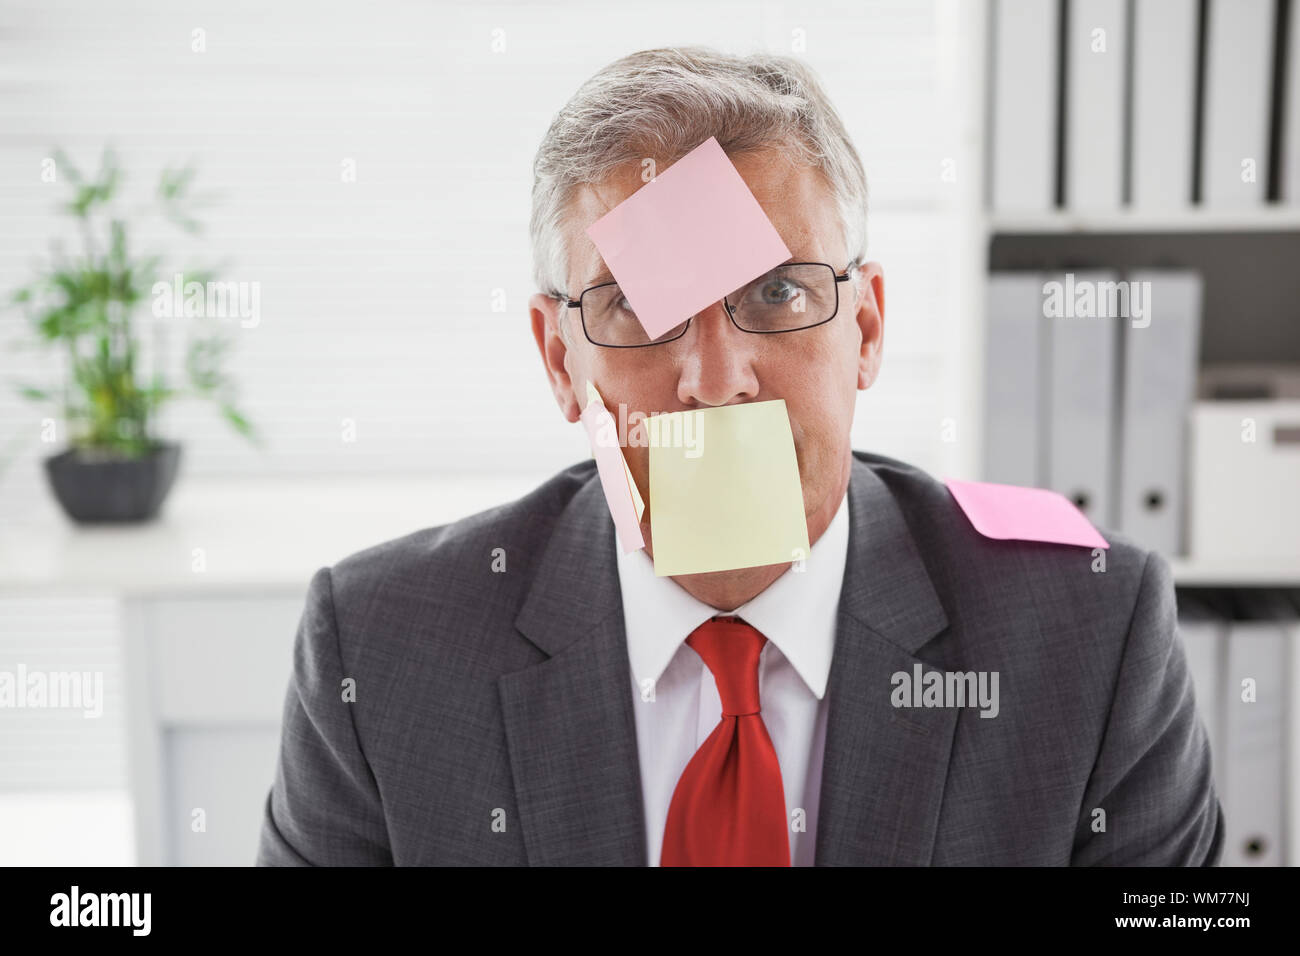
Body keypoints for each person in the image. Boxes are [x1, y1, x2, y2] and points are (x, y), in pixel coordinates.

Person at [256, 46, 1222, 866]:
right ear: (559, 360)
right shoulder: (381, 656)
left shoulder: (1089, 636)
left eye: (775, 296)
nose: (714, 384)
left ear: (869, 329)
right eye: (642, 305)